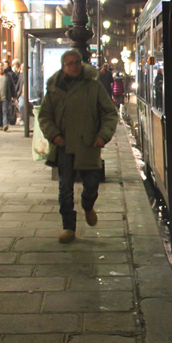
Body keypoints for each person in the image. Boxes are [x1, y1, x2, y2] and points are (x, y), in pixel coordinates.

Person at [38, 49, 119, 244]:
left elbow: (109, 113)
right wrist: (54, 135)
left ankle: (87, 204)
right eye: (70, 63)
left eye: (77, 62)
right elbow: (45, 115)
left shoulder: (93, 87)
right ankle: (68, 226)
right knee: (65, 188)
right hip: (64, 145)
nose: (74, 66)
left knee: (91, 184)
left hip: (88, 145)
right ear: (63, 67)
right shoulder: (55, 88)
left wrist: (103, 135)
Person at [0, 61, 15, 131]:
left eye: (1, 66)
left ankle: (5, 124)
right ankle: (0, 125)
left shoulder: (8, 76)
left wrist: (14, 95)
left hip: (6, 96)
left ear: (3, 67)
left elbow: (12, 86)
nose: (0, 67)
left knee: (5, 110)